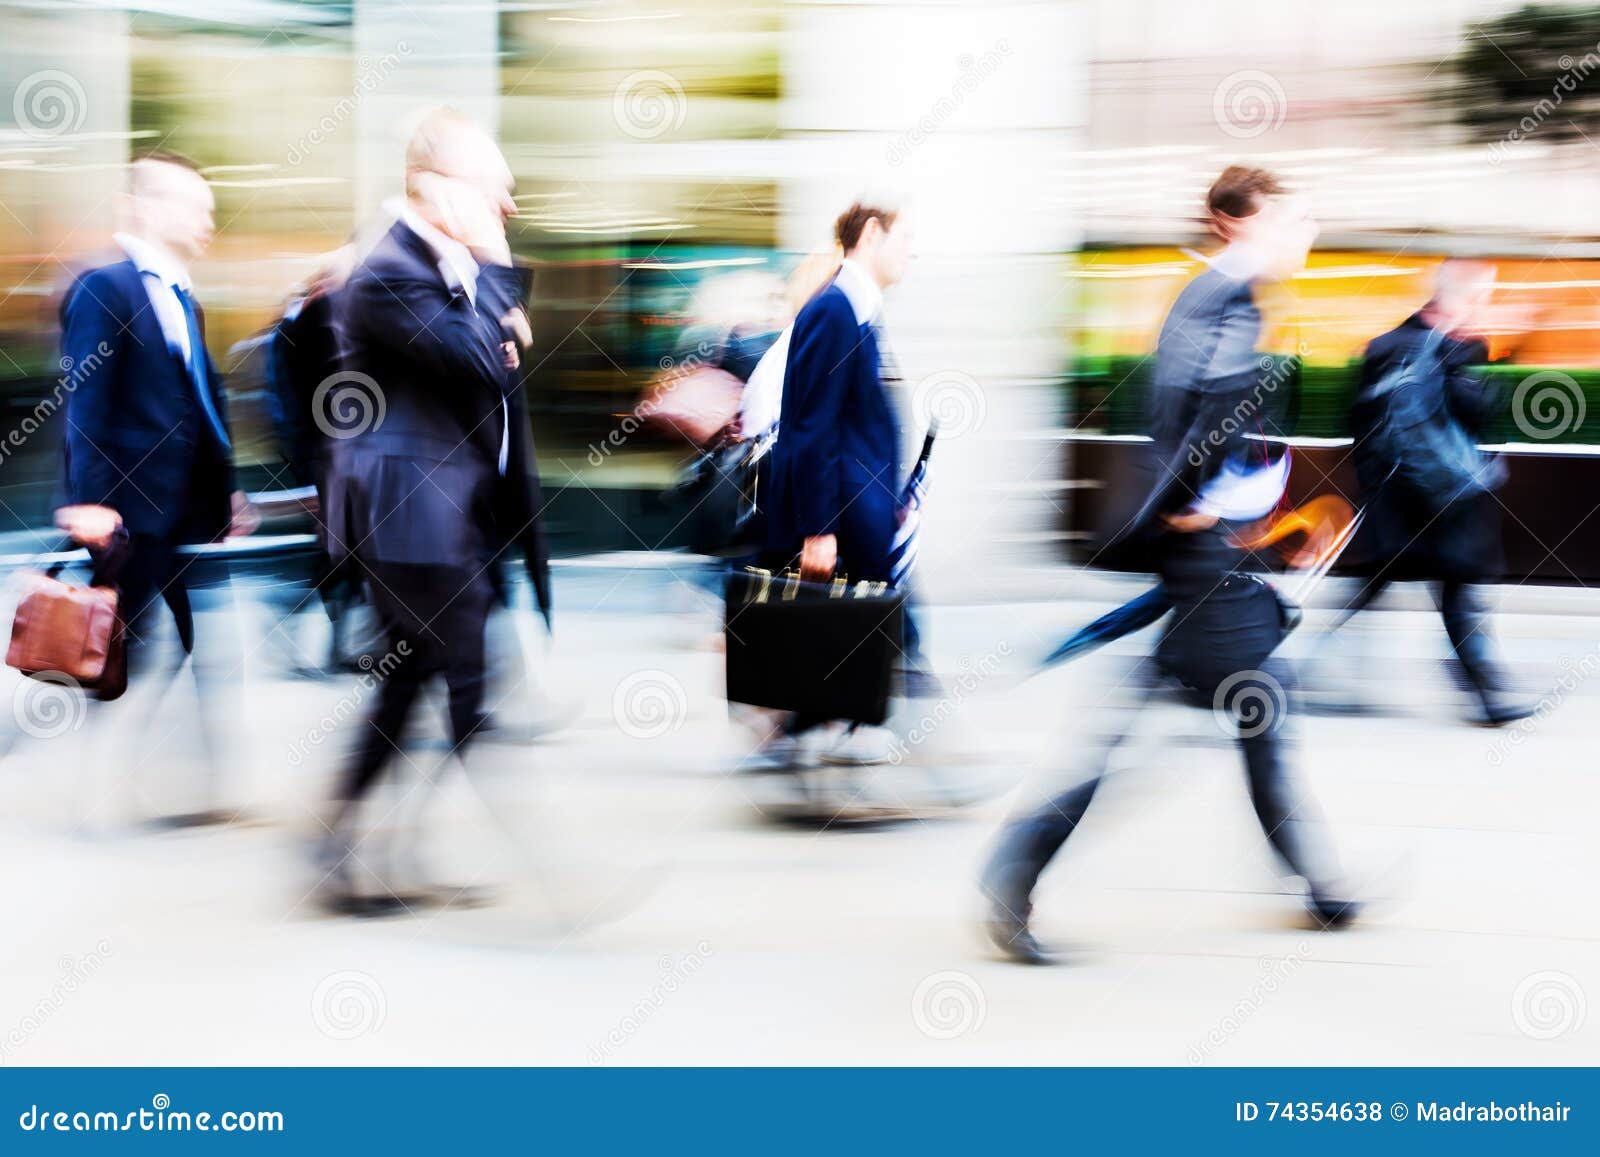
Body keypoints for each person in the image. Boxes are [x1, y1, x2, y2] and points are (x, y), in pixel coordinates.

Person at [979, 166, 1357, 964]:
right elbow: (1210, 406)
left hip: (1215, 547)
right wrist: (1195, 503)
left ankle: (1318, 883)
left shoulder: (1223, 298)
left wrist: (1256, 521)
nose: (1308, 233)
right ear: (1237, 221)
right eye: (1295, 218)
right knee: (1247, 712)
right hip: (1206, 554)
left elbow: (1214, 417)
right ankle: (1016, 865)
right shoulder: (1228, 299)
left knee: (1242, 716)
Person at [318, 107, 531, 916]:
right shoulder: (388, 267)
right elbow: (484, 355)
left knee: (406, 690)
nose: (505, 206)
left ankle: (349, 852)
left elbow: (497, 358)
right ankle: (555, 872)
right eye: (492, 189)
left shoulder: (437, 261)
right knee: (470, 695)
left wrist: (495, 298)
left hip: (450, 519)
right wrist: (499, 278)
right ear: (439, 188)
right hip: (413, 524)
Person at [55, 151, 256, 826]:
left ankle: (195, 783)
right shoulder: (105, 289)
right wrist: (88, 501)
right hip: (128, 509)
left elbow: (200, 403)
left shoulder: (182, 296)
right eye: (193, 206)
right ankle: (99, 790)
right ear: (148, 207)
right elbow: (85, 400)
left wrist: (225, 492)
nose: (208, 220)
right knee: (125, 649)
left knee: (196, 644)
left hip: (185, 511)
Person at [1317, 260, 1533, 725]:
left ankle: (1482, 689)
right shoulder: (1451, 348)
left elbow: (1356, 425)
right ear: (1454, 297)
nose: (1484, 305)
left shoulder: (1390, 345)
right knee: (1428, 590)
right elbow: (1478, 414)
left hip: (1411, 503)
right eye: (1480, 296)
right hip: (1430, 503)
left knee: (1414, 590)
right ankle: (1484, 692)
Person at [760, 200, 917, 765]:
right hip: (844, 510)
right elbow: (812, 425)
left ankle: (819, 726)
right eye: (903, 239)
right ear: (871, 234)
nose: (910, 252)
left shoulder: (856, 307)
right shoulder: (834, 310)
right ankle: (832, 726)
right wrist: (819, 528)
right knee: (849, 619)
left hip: (863, 505)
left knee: (853, 620)